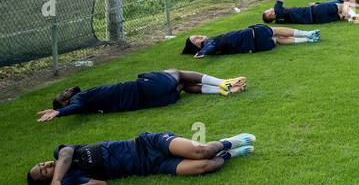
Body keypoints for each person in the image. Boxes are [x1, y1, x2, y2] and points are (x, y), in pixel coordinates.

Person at [26, 131, 256, 185]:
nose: (46, 165)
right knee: (205, 166)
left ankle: (231, 140)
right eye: (44, 171)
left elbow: (65, 154)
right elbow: (101, 184)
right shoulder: (72, 178)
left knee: (201, 151)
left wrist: (56, 179)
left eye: (41, 164)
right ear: (46, 182)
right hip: (152, 165)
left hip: (148, 142)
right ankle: (230, 153)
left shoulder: (63, 155)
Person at [37, 70, 247, 121]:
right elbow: (75, 107)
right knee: (177, 72)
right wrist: (60, 113)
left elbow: (77, 109)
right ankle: (224, 82)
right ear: (66, 100)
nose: (67, 90)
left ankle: (225, 91)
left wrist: (60, 111)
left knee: (182, 84)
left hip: (154, 101)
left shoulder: (88, 105)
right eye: (63, 93)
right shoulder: (78, 100)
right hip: (144, 88)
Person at [183, 24, 318, 58]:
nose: (199, 36)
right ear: (196, 46)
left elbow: (211, 47)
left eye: (197, 35)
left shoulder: (212, 48)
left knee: (276, 40)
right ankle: (307, 34)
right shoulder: (209, 43)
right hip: (252, 35)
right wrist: (203, 52)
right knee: (275, 30)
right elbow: (210, 45)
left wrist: (204, 52)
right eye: (195, 39)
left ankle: (307, 40)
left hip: (254, 47)